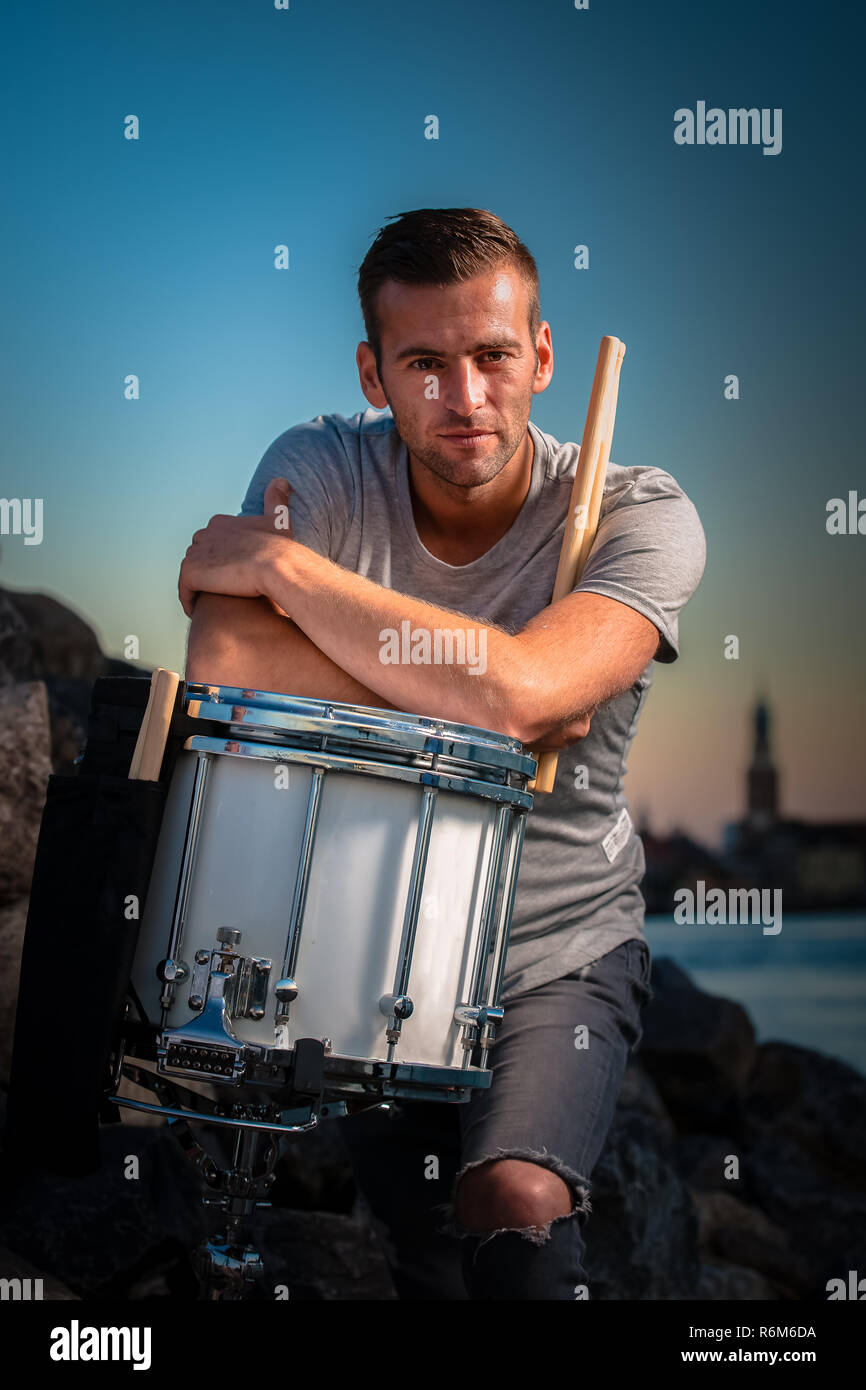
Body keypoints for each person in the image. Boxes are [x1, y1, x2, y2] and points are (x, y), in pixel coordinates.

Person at [178, 206, 706, 1300]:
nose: (462, 398)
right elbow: (225, 667)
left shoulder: (638, 511)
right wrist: (487, 688)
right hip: (369, 944)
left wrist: (289, 578)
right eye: (422, 363)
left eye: (491, 356)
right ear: (373, 373)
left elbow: (523, 696)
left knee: (509, 1197)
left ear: (542, 356)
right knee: (419, 1250)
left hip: (556, 944)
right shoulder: (318, 466)